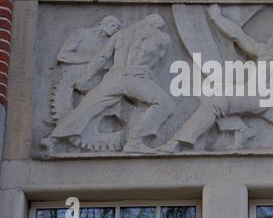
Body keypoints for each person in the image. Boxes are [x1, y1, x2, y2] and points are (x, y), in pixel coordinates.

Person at [152, 4, 273, 154]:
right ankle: (242, 130)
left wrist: (216, 17)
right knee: (209, 93)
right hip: (252, 94)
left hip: (256, 97)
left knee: (214, 104)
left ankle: (177, 143)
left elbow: (237, 35)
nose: (269, 42)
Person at [42, 14, 175, 153]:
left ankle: (52, 139)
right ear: (157, 26)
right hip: (137, 77)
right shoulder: (161, 37)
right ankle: (135, 142)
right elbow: (156, 58)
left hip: (113, 78)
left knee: (86, 108)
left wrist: (86, 77)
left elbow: (102, 57)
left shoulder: (120, 34)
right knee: (165, 103)